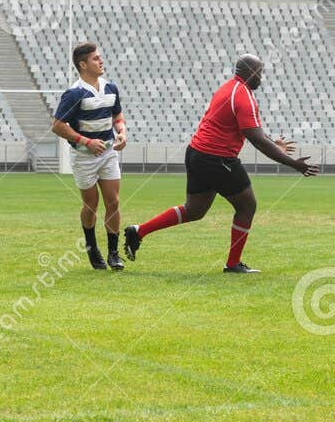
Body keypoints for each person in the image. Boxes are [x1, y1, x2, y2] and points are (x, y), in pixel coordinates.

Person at [123, 54, 318, 274]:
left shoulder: (230, 88)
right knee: (247, 206)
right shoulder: (243, 96)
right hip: (217, 158)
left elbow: (254, 133)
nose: (261, 78)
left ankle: (138, 231)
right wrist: (293, 163)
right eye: (260, 73)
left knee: (194, 210)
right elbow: (256, 139)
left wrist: (274, 143)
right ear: (251, 72)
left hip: (197, 153)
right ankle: (233, 264)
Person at [51, 42, 127, 271]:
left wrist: (122, 132)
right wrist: (86, 141)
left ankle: (114, 254)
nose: (100, 61)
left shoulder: (111, 88)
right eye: (95, 59)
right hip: (84, 156)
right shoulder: (74, 93)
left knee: (113, 202)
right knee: (91, 205)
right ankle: (92, 247)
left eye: (100, 57)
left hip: (108, 154)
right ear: (83, 65)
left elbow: (117, 116)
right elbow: (56, 125)